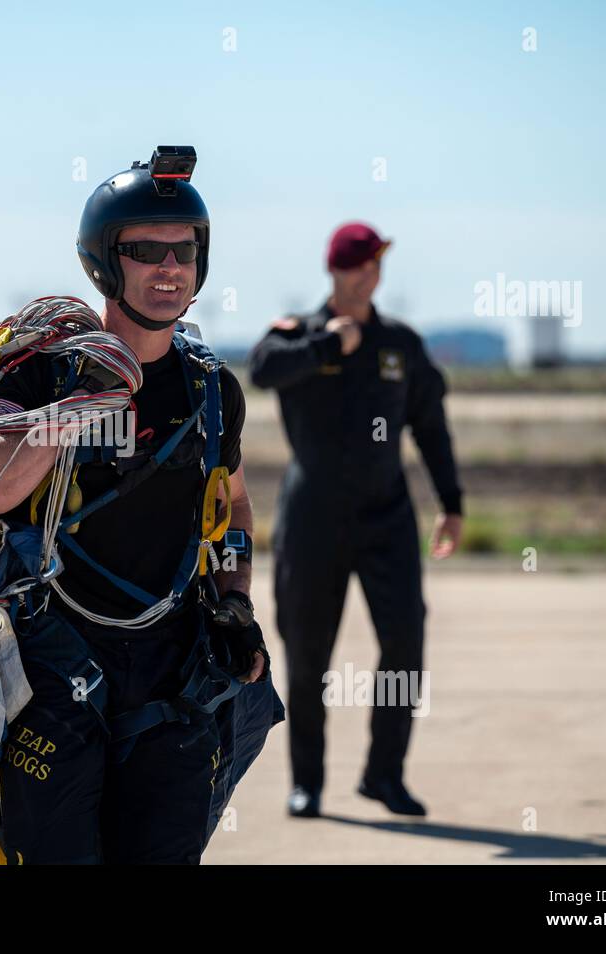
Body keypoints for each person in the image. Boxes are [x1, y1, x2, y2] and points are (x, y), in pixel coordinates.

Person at [0, 148, 275, 864]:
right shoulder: (43, 369)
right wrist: (72, 409)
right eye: (146, 251)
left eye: (184, 251)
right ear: (104, 263)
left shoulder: (210, 389)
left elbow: (236, 508)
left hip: (172, 667)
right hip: (49, 667)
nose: (170, 268)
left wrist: (234, 601)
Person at [248, 222, 463, 818]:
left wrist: (452, 503)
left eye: (376, 265)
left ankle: (384, 776)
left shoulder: (400, 344)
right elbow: (262, 370)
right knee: (308, 651)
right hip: (313, 518)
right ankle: (307, 782)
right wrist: (327, 348)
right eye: (358, 266)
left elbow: (431, 426)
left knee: (404, 641)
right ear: (335, 271)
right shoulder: (300, 334)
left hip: (386, 517)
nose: (369, 276)